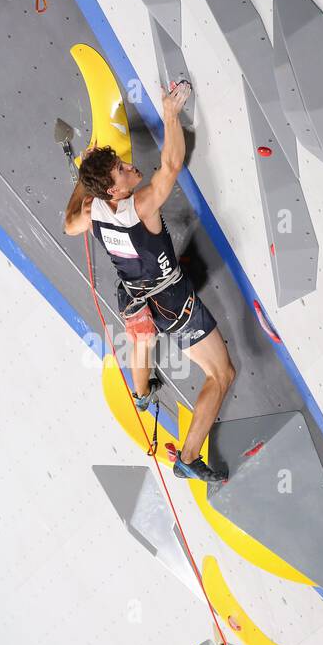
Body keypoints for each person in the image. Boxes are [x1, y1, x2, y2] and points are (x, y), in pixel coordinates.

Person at [62, 81, 235, 483]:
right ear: (113, 189)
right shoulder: (139, 205)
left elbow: (70, 225)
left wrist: (82, 183)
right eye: (122, 170)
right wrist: (171, 115)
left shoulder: (92, 210)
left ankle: (142, 396)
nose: (129, 167)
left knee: (141, 340)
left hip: (133, 299)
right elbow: (171, 166)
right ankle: (188, 457)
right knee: (221, 374)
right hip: (172, 302)